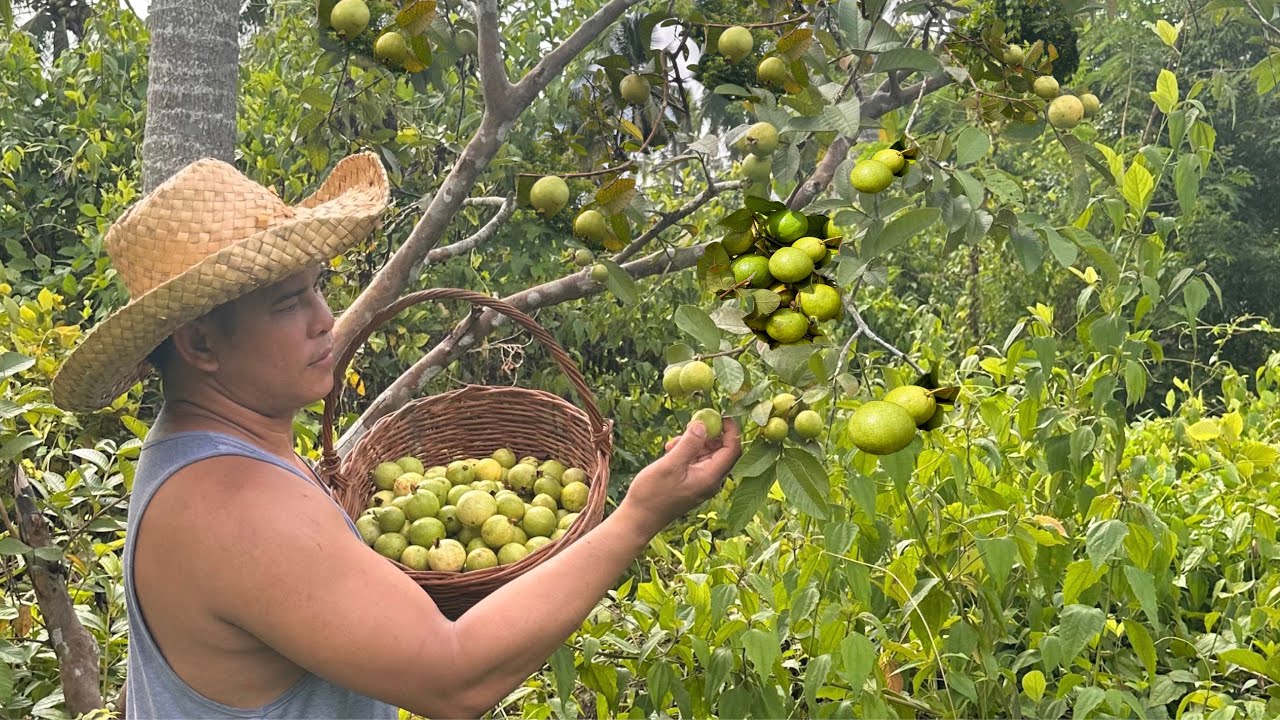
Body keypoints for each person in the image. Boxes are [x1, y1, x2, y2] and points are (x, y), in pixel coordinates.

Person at [50, 151, 742, 719]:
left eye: (318, 289)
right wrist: (638, 518)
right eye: (290, 303)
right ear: (200, 344)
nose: (325, 318)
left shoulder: (215, 451)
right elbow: (453, 679)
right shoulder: (231, 503)